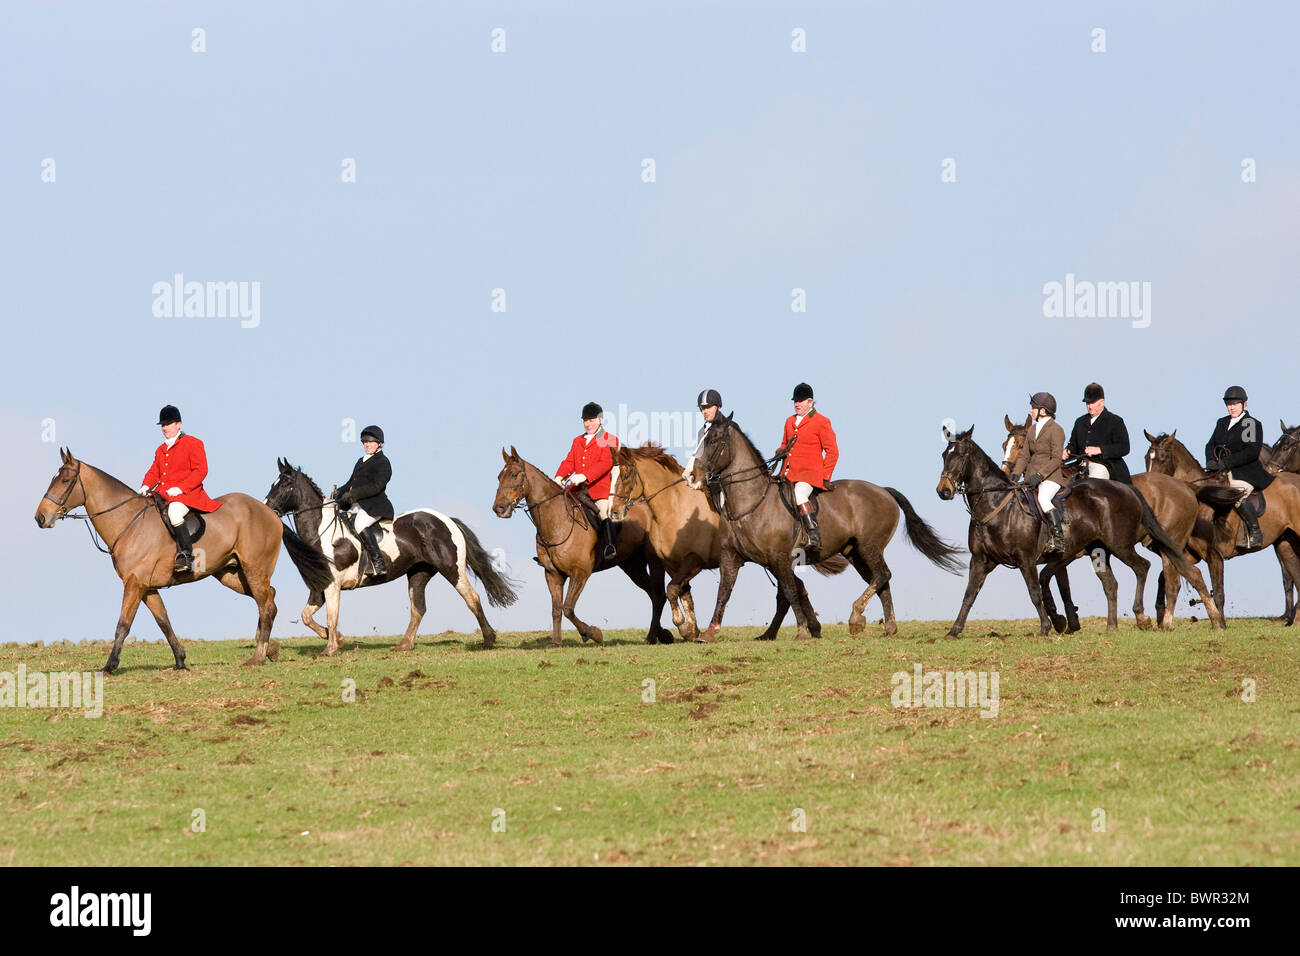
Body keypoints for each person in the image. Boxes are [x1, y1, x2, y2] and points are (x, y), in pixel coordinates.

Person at [138, 405, 223, 573]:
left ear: (179, 424)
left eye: (168, 424)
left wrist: (181, 488)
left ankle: (187, 555)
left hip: (188, 495)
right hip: (164, 495)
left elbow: (201, 470)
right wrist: (145, 485)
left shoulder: (193, 443)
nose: (164, 428)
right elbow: (154, 471)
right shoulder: (161, 450)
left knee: (174, 513)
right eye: (163, 425)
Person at [1205, 386, 1273, 548]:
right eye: (1229, 404)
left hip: (1245, 472)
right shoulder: (1222, 423)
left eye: (1235, 404)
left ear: (1244, 404)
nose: (1232, 407)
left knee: (1236, 493)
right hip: (1220, 471)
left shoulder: (1249, 423)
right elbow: (1210, 444)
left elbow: (1250, 451)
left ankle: (1255, 532)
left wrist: (1226, 463)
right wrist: (1210, 461)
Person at [777, 383, 838, 553]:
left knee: (798, 494)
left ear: (810, 402)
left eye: (801, 401)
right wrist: (780, 452)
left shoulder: (821, 422)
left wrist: (824, 475)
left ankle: (813, 534)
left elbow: (833, 452)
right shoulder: (789, 421)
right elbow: (784, 444)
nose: (797, 404)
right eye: (795, 401)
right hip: (788, 473)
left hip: (809, 474)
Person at [556, 402, 620, 560]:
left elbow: (606, 462)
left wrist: (585, 476)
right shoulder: (577, 440)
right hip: (576, 490)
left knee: (604, 512)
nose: (588, 424)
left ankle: (610, 547)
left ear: (600, 420)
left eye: (591, 420)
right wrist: (559, 476)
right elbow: (569, 461)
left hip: (598, 490)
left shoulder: (610, 439)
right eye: (585, 421)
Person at [1010, 392, 1067, 553]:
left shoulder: (1056, 430)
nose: (1030, 411)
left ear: (1042, 410)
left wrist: (1040, 475)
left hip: (1051, 478)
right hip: (1030, 478)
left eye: (1033, 408)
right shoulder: (1032, 430)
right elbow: (1024, 456)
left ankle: (1058, 539)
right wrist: (1015, 474)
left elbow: (1056, 459)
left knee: (1043, 498)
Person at [337, 425, 394, 575]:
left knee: (359, 524)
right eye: (364, 442)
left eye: (370, 442)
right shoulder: (360, 461)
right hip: (357, 505)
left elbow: (376, 486)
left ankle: (378, 563)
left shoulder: (383, 462)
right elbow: (350, 483)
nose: (367, 444)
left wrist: (353, 494)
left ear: (379, 443)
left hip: (374, 506)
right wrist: (338, 493)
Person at [1065, 382, 1132, 484]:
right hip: (1080, 466)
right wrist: (1067, 451)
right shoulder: (1080, 422)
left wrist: (1100, 450)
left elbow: (1124, 447)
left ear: (1102, 402)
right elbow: (1073, 445)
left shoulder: (1115, 421)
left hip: (1105, 466)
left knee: (1090, 484)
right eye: (1087, 403)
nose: (1089, 406)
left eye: (1092, 403)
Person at [683, 388, 723, 482]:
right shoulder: (702, 431)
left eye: (708, 407)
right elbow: (699, 456)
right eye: (702, 408)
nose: (705, 411)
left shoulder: (730, 427)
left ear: (718, 407)